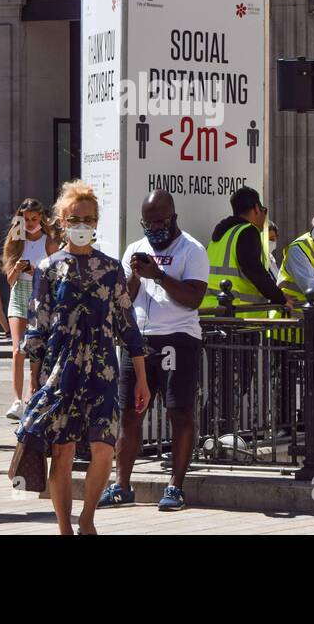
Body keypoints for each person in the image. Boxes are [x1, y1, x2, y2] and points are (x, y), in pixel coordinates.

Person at [18, 180, 150, 535]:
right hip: (59, 373)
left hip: (103, 369)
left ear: (96, 223)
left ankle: (88, 519)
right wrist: (33, 384)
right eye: (75, 218)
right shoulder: (48, 268)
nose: (82, 224)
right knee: (62, 452)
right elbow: (37, 327)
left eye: (88, 219)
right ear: (62, 220)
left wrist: (141, 377)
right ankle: (65, 528)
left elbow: (128, 326)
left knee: (103, 448)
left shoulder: (110, 269)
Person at [101, 190, 208, 512]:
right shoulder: (135, 249)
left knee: (179, 412)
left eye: (159, 222)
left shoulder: (192, 249)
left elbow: (193, 298)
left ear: (173, 217)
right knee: (130, 414)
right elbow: (126, 299)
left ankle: (175, 487)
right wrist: (135, 275)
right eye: (147, 223)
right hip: (139, 341)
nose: (154, 229)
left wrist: (159, 275)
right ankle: (121, 486)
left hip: (178, 337)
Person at [2, 198, 59, 420]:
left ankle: (32, 392)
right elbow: (9, 280)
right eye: (26, 219)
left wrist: (37, 271)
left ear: (41, 218)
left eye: (34, 219)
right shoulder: (16, 239)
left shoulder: (49, 241)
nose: (30, 223)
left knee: (36, 348)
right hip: (19, 294)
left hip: (40, 295)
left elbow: (55, 274)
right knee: (18, 350)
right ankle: (16, 400)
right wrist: (16, 268)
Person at [206, 187, 289, 317]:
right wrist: (281, 298)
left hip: (210, 312)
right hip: (237, 316)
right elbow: (254, 269)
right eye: (264, 210)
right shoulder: (248, 231)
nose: (264, 215)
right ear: (256, 208)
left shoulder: (221, 235)